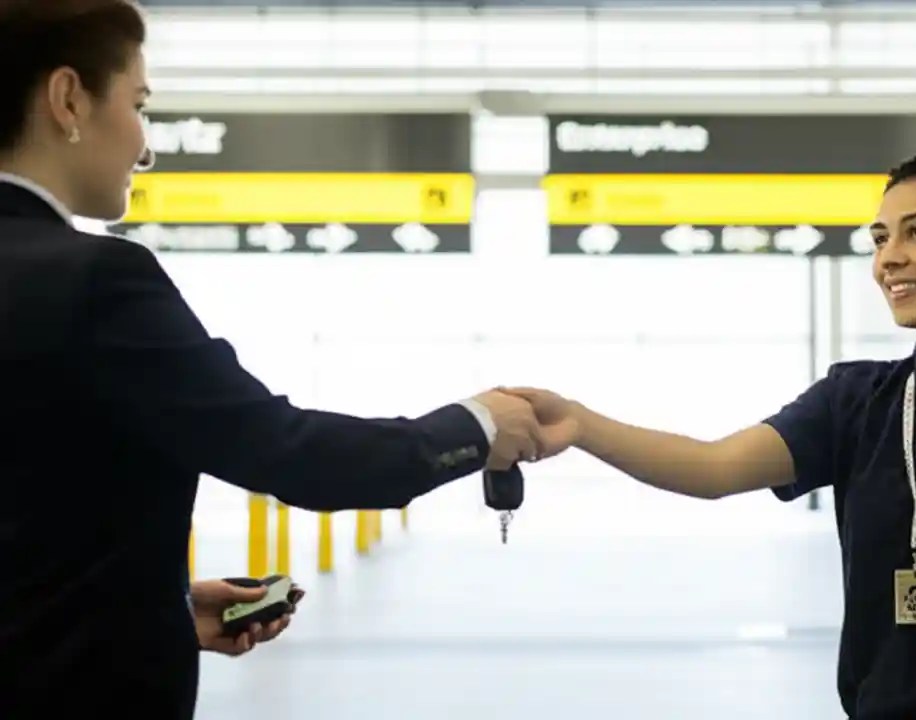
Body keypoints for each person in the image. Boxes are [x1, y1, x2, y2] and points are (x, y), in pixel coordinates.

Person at [0, 1, 545, 717]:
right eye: (138, 105)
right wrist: (475, 428)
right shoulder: (96, 280)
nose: (146, 147)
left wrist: (156, 606)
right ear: (68, 98)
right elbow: (283, 451)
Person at [504, 153, 916, 720]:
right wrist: (583, 425)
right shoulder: (855, 401)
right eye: (879, 239)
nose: (889, 259)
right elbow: (712, 468)